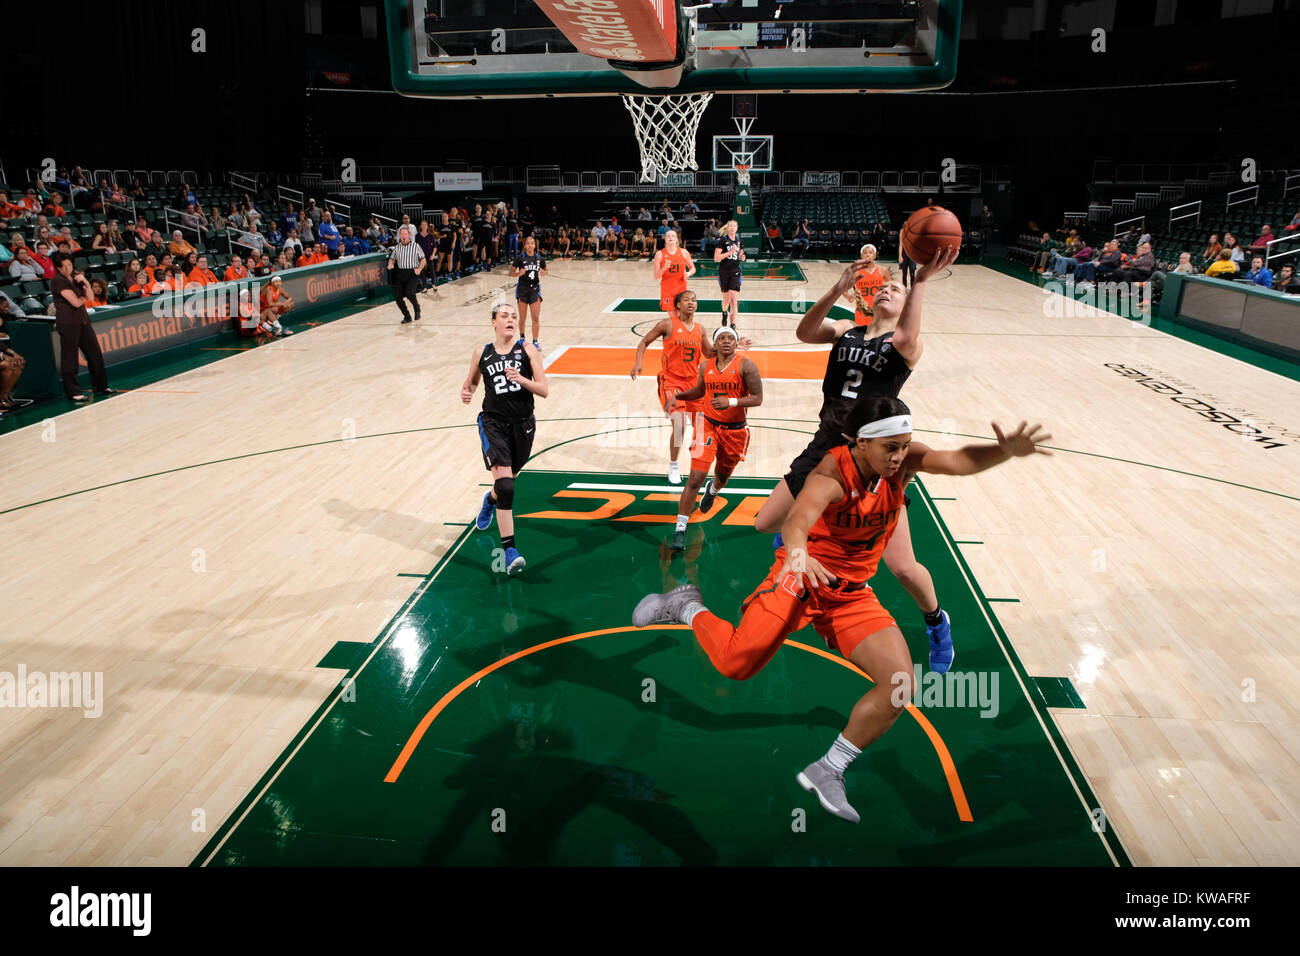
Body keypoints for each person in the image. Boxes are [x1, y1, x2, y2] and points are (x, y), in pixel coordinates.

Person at [631, 396, 1051, 823]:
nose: (900, 455)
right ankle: (685, 606)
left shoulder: (903, 464)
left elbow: (957, 460)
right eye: (891, 447)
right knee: (736, 664)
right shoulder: (832, 472)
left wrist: (1004, 451)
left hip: (850, 593)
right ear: (860, 442)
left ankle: (828, 769)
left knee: (899, 684)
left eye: (905, 445)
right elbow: (797, 519)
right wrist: (797, 555)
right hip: (801, 576)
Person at [753, 248, 961, 672]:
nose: (887, 288)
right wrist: (837, 288)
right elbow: (804, 332)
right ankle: (807, 542)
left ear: (905, 307)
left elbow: (905, 336)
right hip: (827, 444)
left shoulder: (904, 345)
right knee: (766, 522)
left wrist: (919, 280)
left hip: (874, 457)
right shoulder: (847, 329)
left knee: (902, 567)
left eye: (896, 289)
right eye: (883, 285)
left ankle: (937, 622)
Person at [462, 303, 549, 576]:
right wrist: (466, 392)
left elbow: (544, 390)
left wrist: (522, 379)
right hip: (493, 423)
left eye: (514, 316)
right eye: (505, 316)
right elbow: (472, 383)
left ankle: (490, 500)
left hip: (523, 425)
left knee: (505, 485)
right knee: (507, 487)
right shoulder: (482, 352)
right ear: (494, 322)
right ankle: (510, 550)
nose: (511, 319)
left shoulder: (527, 350)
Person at [631, 289, 750, 486]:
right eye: (686, 300)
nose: (691, 302)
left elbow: (710, 354)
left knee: (702, 429)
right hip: (671, 381)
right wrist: (638, 363)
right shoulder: (667, 324)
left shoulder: (700, 329)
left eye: (694, 300)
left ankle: (698, 468)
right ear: (678, 305)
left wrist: (734, 345)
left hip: (695, 384)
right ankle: (674, 465)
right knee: (678, 424)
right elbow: (644, 342)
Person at [663, 325, 762, 551]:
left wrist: (732, 402)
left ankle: (714, 490)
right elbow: (699, 391)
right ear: (714, 345)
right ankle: (680, 529)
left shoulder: (746, 366)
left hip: (735, 431)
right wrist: (677, 395)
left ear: (736, 344)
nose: (726, 341)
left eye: (731, 338)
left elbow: (757, 398)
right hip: (707, 426)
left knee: (723, 475)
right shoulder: (706, 366)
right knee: (695, 478)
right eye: (721, 338)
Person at [50, 253, 114, 402]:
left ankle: (100, 386)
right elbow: (76, 302)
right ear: (58, 268)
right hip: (68, 323)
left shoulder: (76, 279)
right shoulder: (58, 281)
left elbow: (91, 298)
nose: (68, 268)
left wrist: (85, 281)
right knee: (70, 358)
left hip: (83, 321)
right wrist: (83, 295)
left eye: (70, 265)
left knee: (95, 353)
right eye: (65, 266)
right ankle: (73, 392)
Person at [510, 235, 547, 350]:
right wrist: (518, 274)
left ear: (535, 245)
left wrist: (543, 272)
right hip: (522, 289)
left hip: (534, 289)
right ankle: (522, 339)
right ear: (525, 246)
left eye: (532, 243)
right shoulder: (519, 258)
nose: (530, 245)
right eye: (528, 243)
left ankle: (535, 341)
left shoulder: (539, 258)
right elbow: (510, 273)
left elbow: (546, 271)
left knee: (535, 317)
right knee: (523, 317)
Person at [388, 224, 426, 324]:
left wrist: (419, 269)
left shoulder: (415, 246)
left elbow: (423, 259)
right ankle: (407, 316)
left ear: (409, 235)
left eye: (405, 234)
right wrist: (390, 264)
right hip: (401, 273)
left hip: (412, 273)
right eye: (402, 234)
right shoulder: (397, 247)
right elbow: (392, 259)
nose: (403, 236)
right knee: (397, 296)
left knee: (410, 294)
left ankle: (417, 309)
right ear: (400, 236)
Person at [843, 244, 888, 325]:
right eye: (865, 252)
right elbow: (843, 289)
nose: (868, 254)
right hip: (862, 313)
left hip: (879, 312)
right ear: (861, 255)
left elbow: (892, 286)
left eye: (871, 252)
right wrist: (849, 297)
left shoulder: (882, 270)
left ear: (875, 255)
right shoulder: (856, 272)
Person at [654, 228, 695, 317]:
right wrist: (664, 268)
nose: (670, 237)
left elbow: (693, 268)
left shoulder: (684, 252)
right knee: (674, 319)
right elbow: (656, 276)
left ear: (676, 239)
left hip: (682, 289)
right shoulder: (659, 254)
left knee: (684, 316)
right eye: (668, 236)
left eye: (673, 236)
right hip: (667, 290)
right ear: (665, 239)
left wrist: (688, 273)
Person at [713, 219, 746, 327]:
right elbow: (716, 258)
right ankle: (724, 313)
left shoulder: (739, 240)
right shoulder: (723, 240)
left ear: (737, 228)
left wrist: (742, 256)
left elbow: (741, 255)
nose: (732, 228)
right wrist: (730, 252)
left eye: (734, 226)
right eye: (730, 226)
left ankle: (733, 325)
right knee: (726, 299)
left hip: (735, 271)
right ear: (727, 228)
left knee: (734, 300)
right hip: (724, 272)